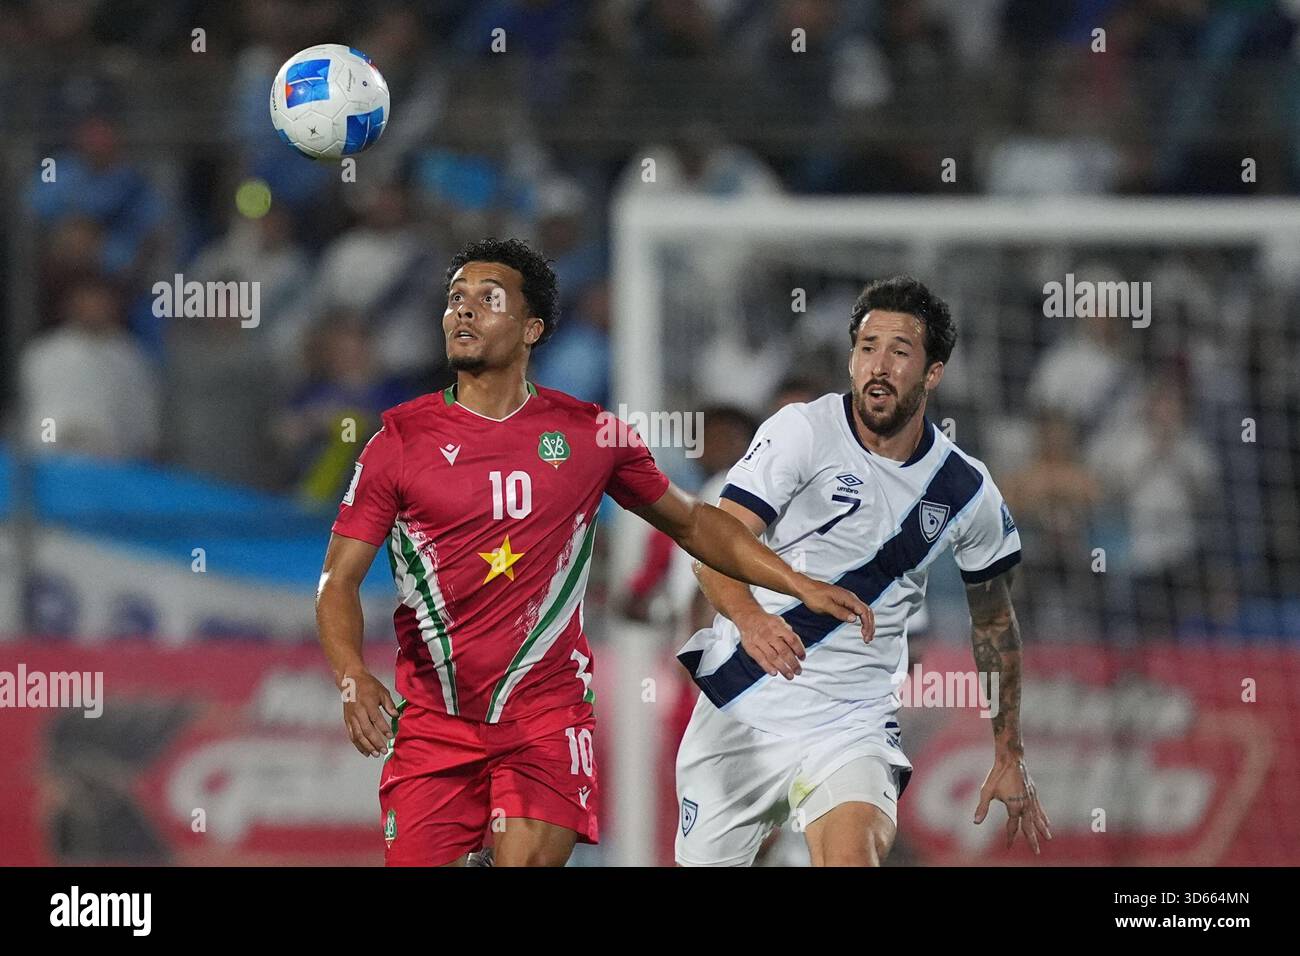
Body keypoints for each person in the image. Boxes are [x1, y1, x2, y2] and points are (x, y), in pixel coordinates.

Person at [313, 237, 872, 867]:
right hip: (433, 727)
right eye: (455, 299)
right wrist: (352, 676)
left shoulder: (591, 435)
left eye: (487, 299)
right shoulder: (399, 441)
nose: (463, 312)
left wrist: (796, 583)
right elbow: (337, 581)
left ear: (532, 328)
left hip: (545, 719)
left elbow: (695, 524)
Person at [676, 275, 1052, 866]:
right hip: (742, 709)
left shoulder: (966, 490)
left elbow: (994, 624)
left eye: (899, 352)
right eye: (867, 347)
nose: (879, 365)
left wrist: (1009, 752)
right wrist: (749, 618)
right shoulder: (802, 430)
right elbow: (714, 544)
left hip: (851, 723)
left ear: (933, 373)